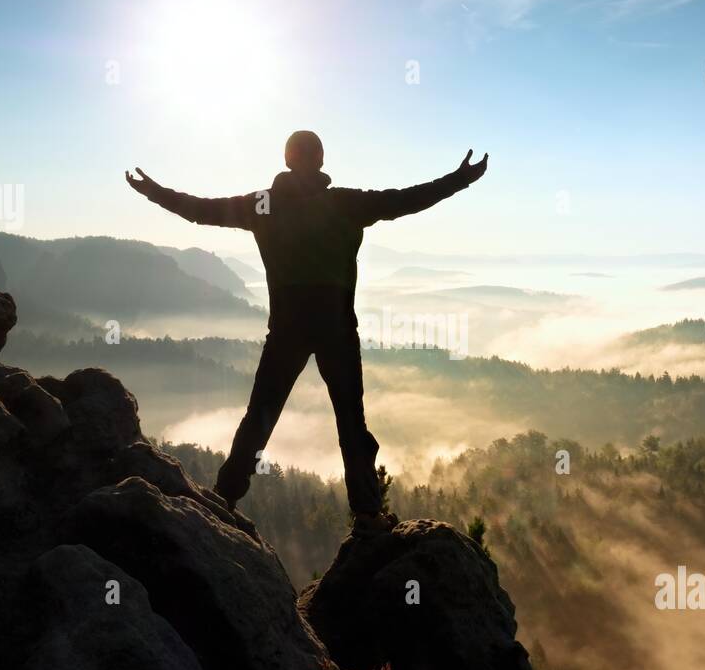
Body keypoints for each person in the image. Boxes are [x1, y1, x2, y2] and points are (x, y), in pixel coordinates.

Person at [126, 130, 488, 534]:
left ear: (287, 160)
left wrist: (153, 191)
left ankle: (226, 495)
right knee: (351, 421)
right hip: (336, 326)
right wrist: (459, 179)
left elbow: (199, 210)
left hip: (287, 328)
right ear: (319, 160)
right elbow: (405, 200)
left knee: (260, 415)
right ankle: (367, 514)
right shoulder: (344, 202)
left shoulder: (262, 204)